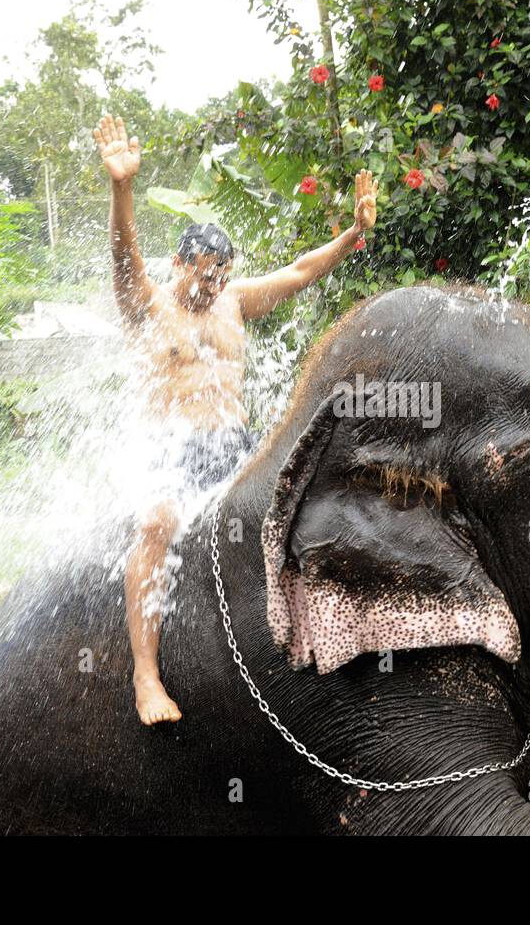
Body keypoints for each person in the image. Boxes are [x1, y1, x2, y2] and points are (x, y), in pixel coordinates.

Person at [92, 113, 379, 725]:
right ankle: (146, 676)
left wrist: (353, 232)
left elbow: (302, 271)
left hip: (234, 445)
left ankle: (330, 638)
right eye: (202, 277)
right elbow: (123, 254)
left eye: (220, 278)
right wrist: (121, 188)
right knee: (156, 524)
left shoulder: (234, 300)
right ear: (179, 264)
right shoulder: (147, 302)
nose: (210, 289)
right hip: (171, 448)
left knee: (313, 501)